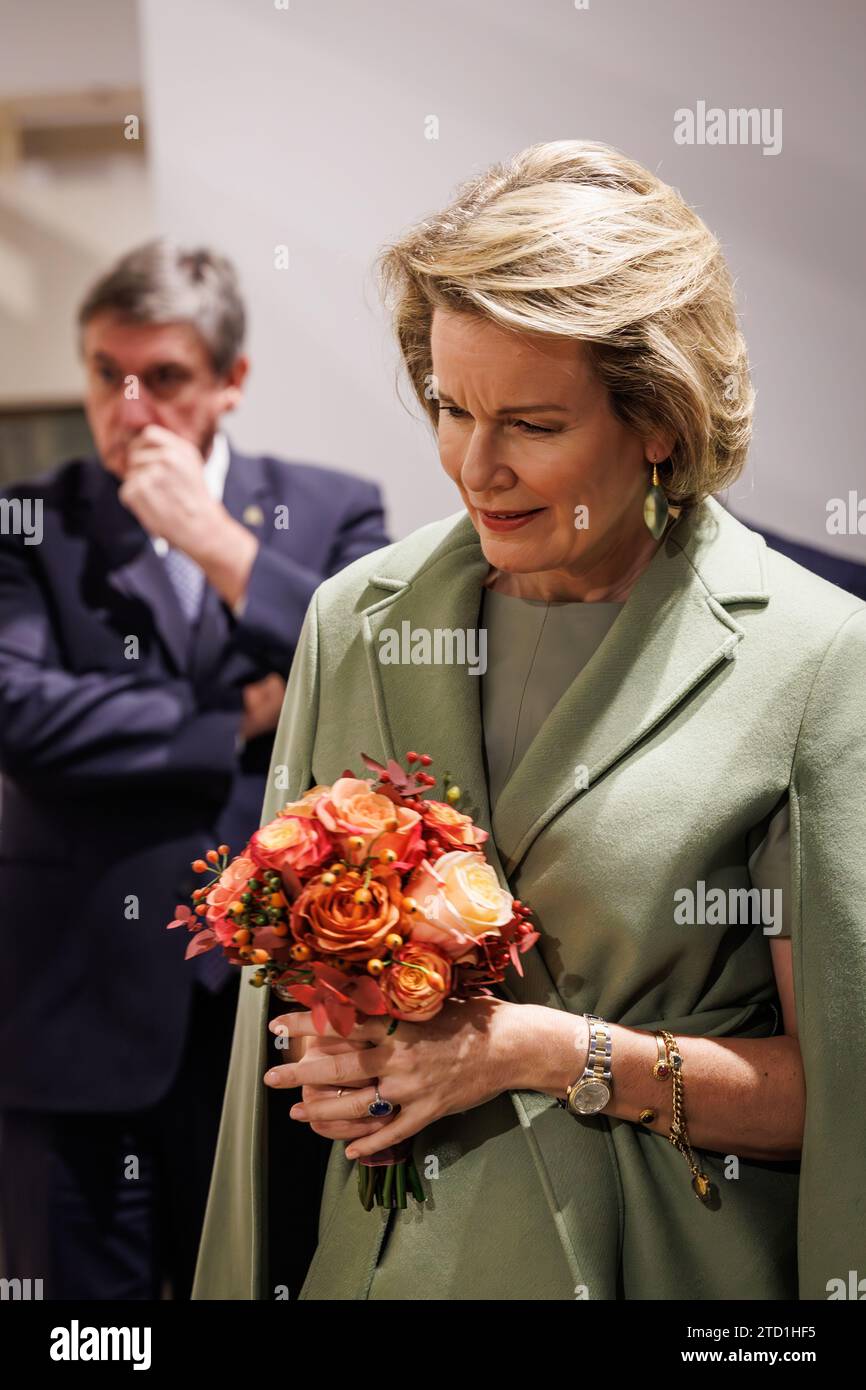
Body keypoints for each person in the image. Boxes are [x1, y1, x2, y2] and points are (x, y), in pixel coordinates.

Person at [191, 142, 866, 1301]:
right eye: (451, 407)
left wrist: (542, 1050)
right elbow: (286, 1028)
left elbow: (839, 1102)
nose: (475, 465)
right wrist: (331, 1056)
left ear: (658, 421)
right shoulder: (354, 620)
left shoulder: (810, 657)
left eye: (533, 425)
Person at [0, 238, 390, 1299]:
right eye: (103, 375)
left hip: (274, 1014)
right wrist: (225, 727)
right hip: (71, 1017)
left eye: (162, 378)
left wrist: (216, 543)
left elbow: (368, 676)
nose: (130, 409)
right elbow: (22, 714)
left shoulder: (332, 508)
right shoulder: (29, 524)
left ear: (229, 382)